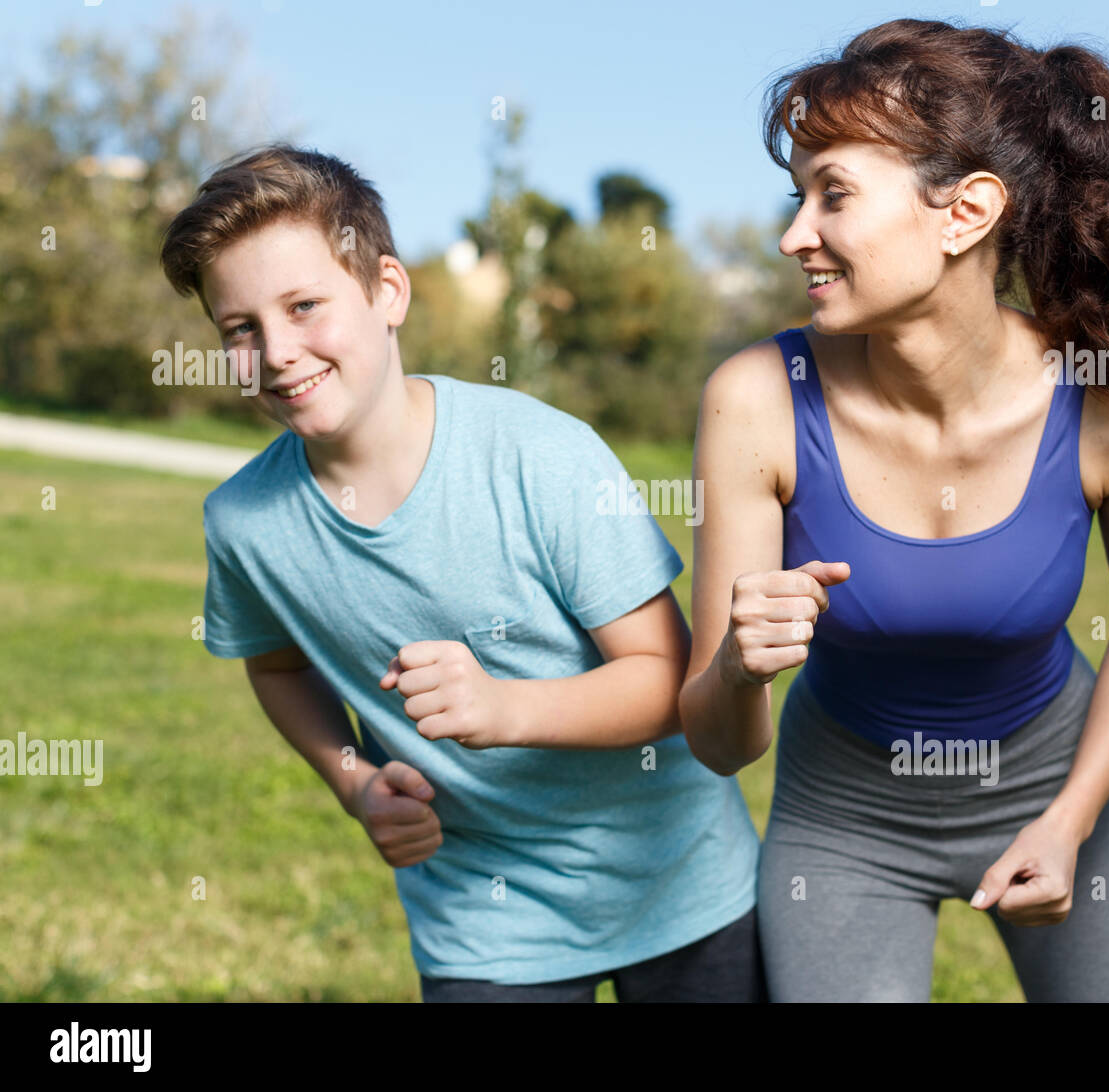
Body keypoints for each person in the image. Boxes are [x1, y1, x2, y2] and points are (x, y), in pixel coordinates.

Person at [678, 19, 1109, 1002]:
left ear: (965, 213)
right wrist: (736, 663)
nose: (792, 236)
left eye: (835, 195)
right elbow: (720, 741)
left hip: (1056, 783)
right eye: (796, 195)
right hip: (842, 818)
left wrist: (1071, 819)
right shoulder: (754, 400)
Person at [160, 144, 762, 1002]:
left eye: (304, 306)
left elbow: (673, 682)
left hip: (681, 884)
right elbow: (278, 665)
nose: (278, 350)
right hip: (483, 919)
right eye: (240, 328)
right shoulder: (244, 522)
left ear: (388, 292)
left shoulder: (540, 456)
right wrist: (355, 783)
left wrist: (505, 706)